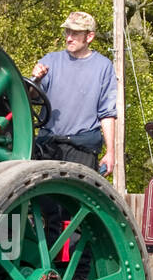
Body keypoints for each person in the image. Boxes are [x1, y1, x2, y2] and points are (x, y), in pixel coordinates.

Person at [30, 11, 117, 173]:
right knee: (44, 198)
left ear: (89, 37)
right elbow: (31, 96)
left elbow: (107, 113)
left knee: (77, 198)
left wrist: (111, 152)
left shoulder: (103, 67)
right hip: (48, 147)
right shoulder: (50, 60)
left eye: (75, 33)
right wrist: (36, 79)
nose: (68, 38)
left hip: (82, 149)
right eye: (67, 32)